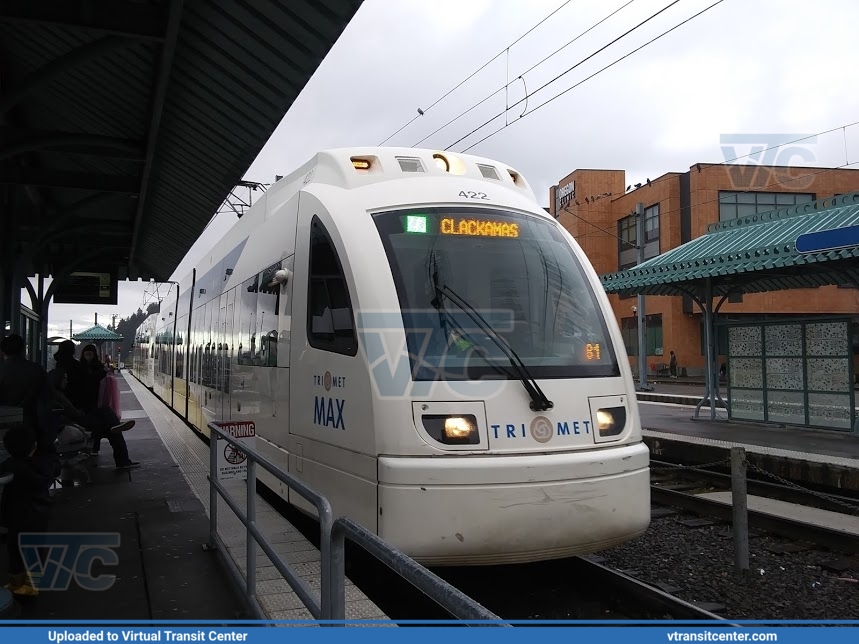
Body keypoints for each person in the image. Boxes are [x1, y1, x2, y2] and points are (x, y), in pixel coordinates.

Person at [52, 342, 139, 470]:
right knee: (111, 426)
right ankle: (122, 458)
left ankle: (114, 427)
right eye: (64, 379)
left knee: (108, 417)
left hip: (71, 417)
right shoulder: (75, 367)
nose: (66, 380)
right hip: (77, 417)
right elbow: (89, 383)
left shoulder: (58, 368)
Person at [0, 424, 55, 596]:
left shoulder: (10, 467)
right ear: (34, 446)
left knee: (14, 549)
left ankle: (18, 582)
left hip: (17, 516)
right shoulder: (40, 465)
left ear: (6, 447)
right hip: (36, 516)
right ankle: (30, 583)